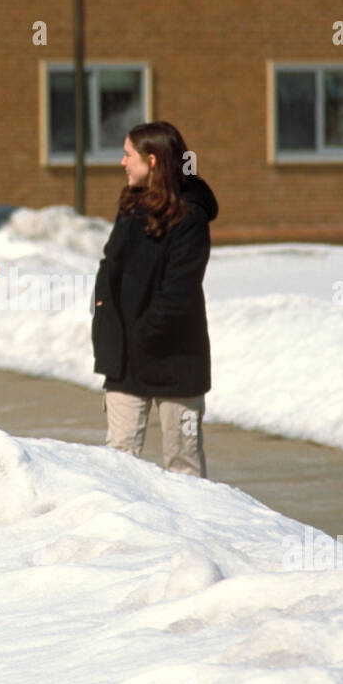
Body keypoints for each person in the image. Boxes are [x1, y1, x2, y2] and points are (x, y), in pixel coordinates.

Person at [91, 120, 218, 477]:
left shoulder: (190, 216)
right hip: (124, 361)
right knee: (118, 461)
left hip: (175, 361)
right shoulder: (131, 203)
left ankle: (190, 534)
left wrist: (142, 333)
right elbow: (110, 264)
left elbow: (178, 291)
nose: (121, 162)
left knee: (183, 465)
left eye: (128, 154)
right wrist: (106, 320)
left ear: (152, 160)